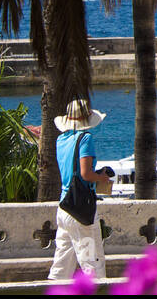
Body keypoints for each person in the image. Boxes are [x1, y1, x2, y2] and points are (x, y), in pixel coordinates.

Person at [46, 99, 112, 281]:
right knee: (92, 261)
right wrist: (102, 177)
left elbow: (72, 171)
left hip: (64, 205)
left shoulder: (61, 139)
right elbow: (85, 174)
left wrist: (93, 174)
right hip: (81, 209)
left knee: (62, 261)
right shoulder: (86, 139)